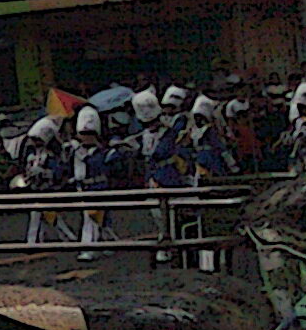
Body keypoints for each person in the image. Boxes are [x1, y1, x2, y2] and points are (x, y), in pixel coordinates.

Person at [131, 88, 187, 263]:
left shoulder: (169, 133)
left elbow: (163, 151)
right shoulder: (143, 135)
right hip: (152, 178)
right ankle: (164, 243)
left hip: (168, 176)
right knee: (157, 214)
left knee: (171, 214)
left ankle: (173, 246)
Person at [70, 106, 121, 262]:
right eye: (83, 134)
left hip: (98, 187)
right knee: (96, 220)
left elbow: (102, 166)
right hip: (83, 187)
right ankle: (109, 243)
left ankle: (90, 248)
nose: (85, 137)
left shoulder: (103, 152)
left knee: (94, 219)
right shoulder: (75, 150)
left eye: (89, 134)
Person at [16, 116, 74, 245]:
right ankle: (61, 237)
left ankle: (34, 241)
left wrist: (43, 172)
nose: (34, 142)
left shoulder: (51, 153)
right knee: (46, 215)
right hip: (35, 187)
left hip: (46, 188)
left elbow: (58, 171)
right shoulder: (31, 153)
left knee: (40, 215)